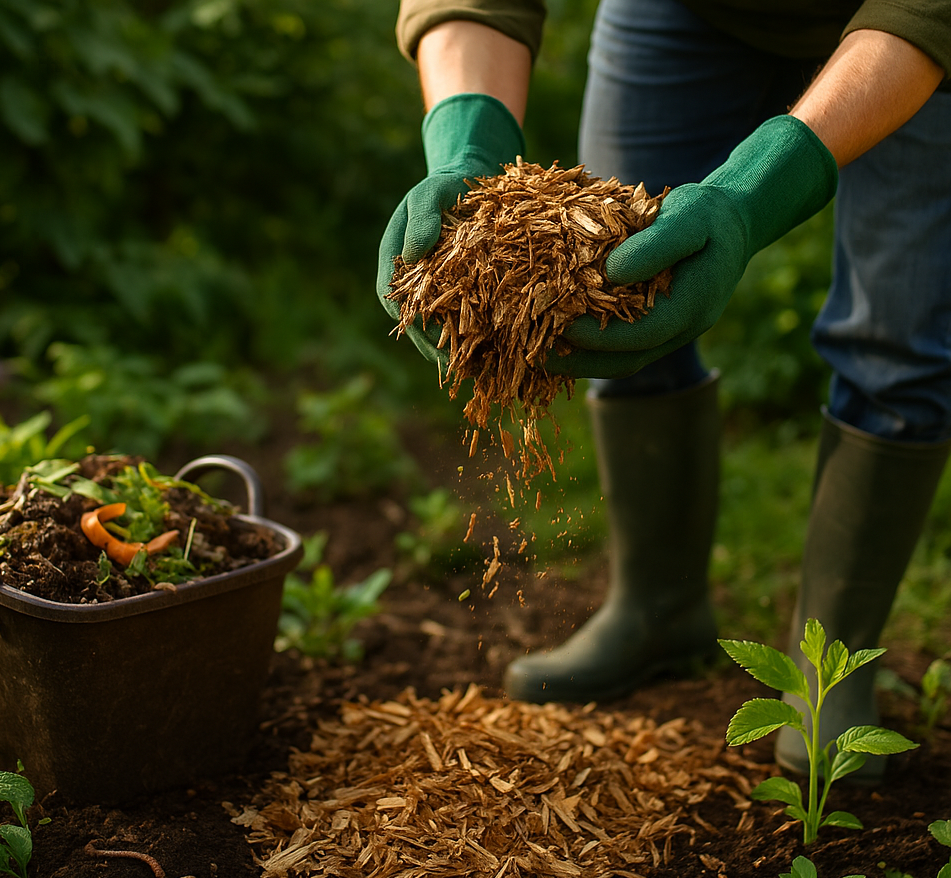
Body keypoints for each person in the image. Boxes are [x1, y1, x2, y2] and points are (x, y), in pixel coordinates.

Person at [377, 0, 951, 780]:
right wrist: (466, 139)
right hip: (687, 11)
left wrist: (750, 196)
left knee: (897, 339)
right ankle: (659, 608)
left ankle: (832, 667)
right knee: (619, 274)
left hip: (920, 31)